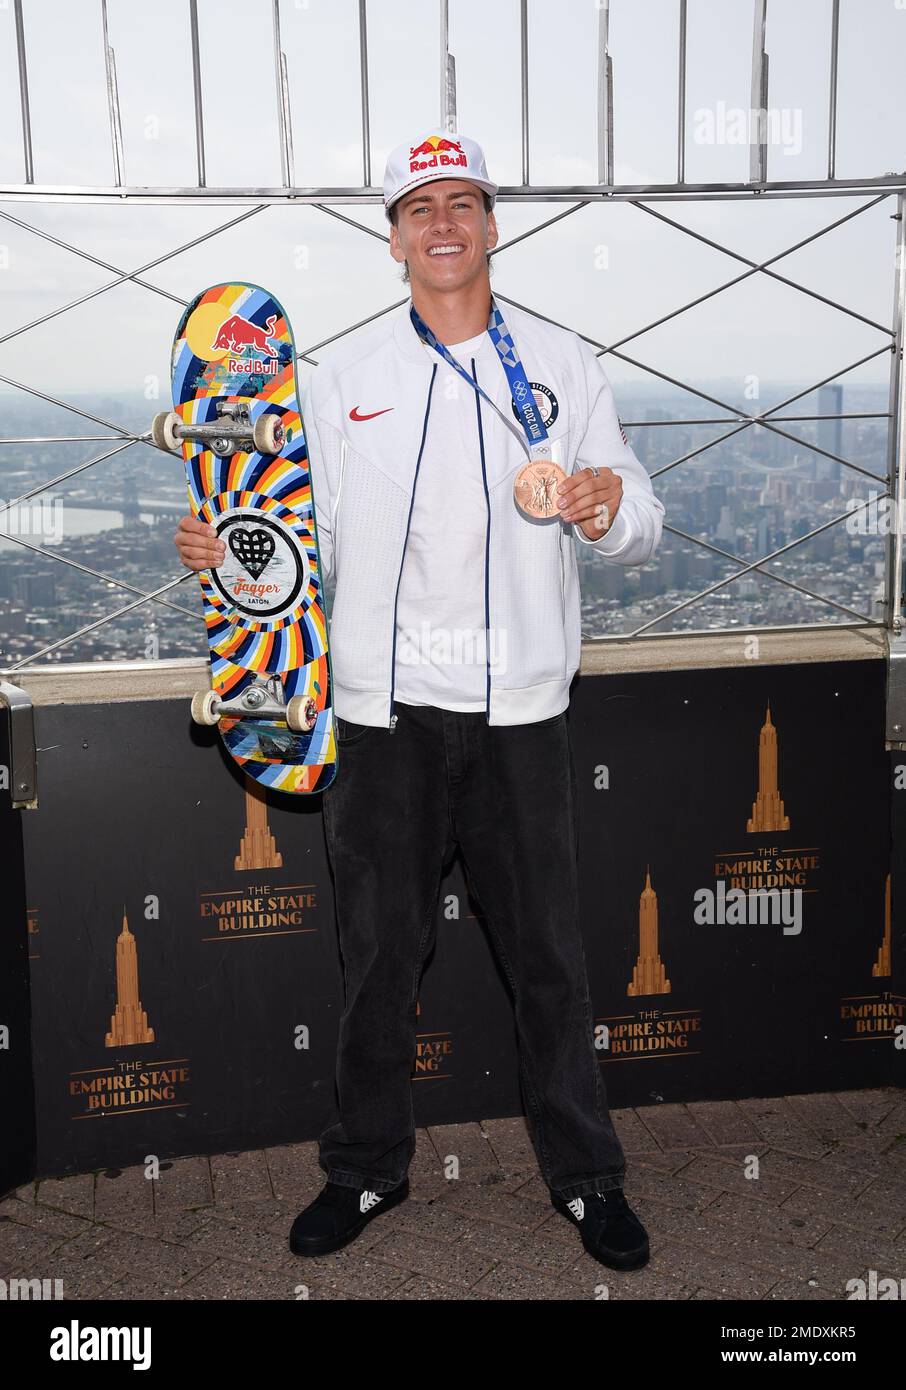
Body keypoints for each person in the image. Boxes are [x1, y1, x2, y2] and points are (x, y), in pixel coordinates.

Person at [174, 131, 665, 1274]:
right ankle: (365, 1170)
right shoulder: (339, 376)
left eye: (462, 202)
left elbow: (642, 520)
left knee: (550, 960)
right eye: (418, 208)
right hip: (385, 716)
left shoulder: (562, 358)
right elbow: (297, 542)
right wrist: (223, 548)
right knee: (379, 961)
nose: (442, 223)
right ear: (394, 237)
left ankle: (588, 1181)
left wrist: (601, 501)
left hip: (524, 712)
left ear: (492, 224)